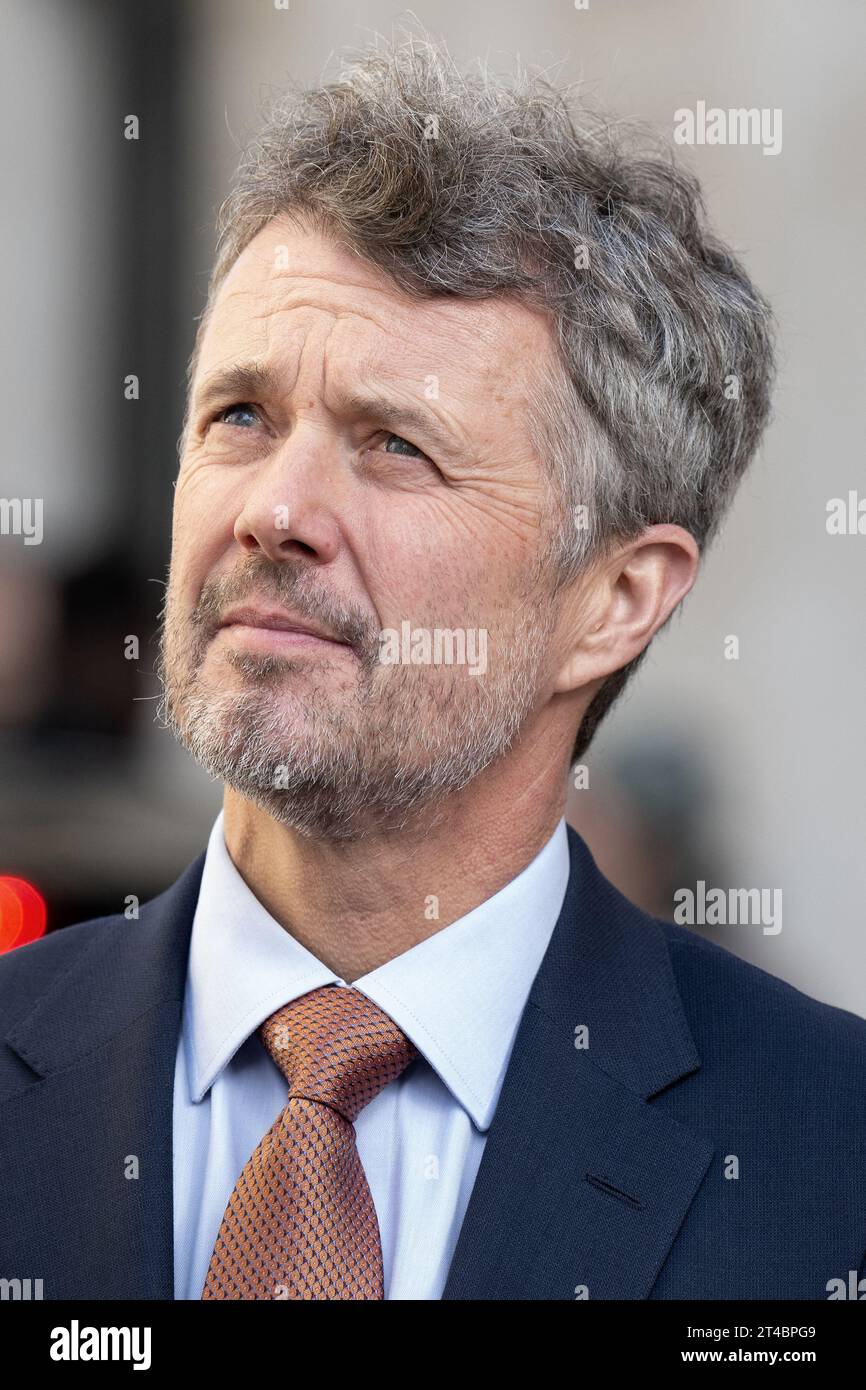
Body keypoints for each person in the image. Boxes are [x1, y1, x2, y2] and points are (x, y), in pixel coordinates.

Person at [2, 32, 864, 1302]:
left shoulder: (824, 1164)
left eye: (394, 445)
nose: (274, 510)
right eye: (239, 415)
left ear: (615, 600)